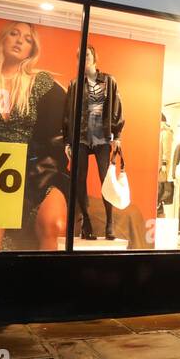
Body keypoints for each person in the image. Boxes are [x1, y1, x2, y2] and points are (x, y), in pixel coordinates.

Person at [0, 21, 69, 251]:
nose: (19, 41)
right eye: (14, 34)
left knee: (53, 223)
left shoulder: (42, 83)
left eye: (27, 39)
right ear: (2, 40)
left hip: (36, 171)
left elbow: (60, 131)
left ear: (32, 50)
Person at [63, 45, 125, 240]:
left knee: (105, 179)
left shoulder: (108, 80)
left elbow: (116, 109)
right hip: (80, 136)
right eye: (80, 56)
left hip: (101, 136)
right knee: (79, 179)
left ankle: (109, 223)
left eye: (87, 55)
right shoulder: (74, 85)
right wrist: (67, 141)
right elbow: (67, 114)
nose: (84, 58)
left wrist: (117, 135)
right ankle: (87, 223)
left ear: (94, 56)